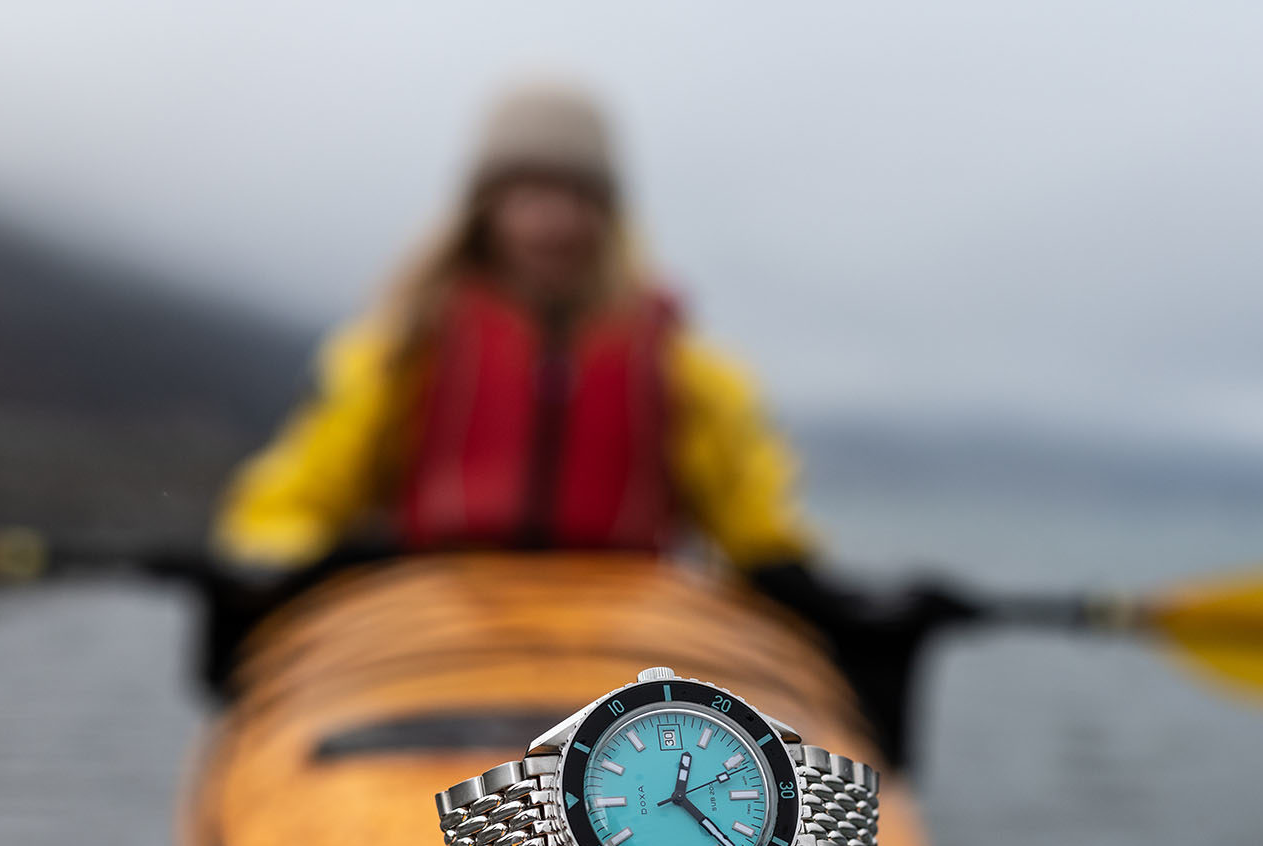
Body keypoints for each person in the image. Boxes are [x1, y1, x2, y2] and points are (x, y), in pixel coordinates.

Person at [207, 81, 971, 764]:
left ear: (608, 213)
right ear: (487, 209)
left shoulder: (680, 366)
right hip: (436, 610)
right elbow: (302, 490)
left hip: (627, 621)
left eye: (578, 198)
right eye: (531, 195)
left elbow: (751, 520)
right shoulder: (403, 351)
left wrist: (824, 593)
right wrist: (269, 562)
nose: (556, 221)